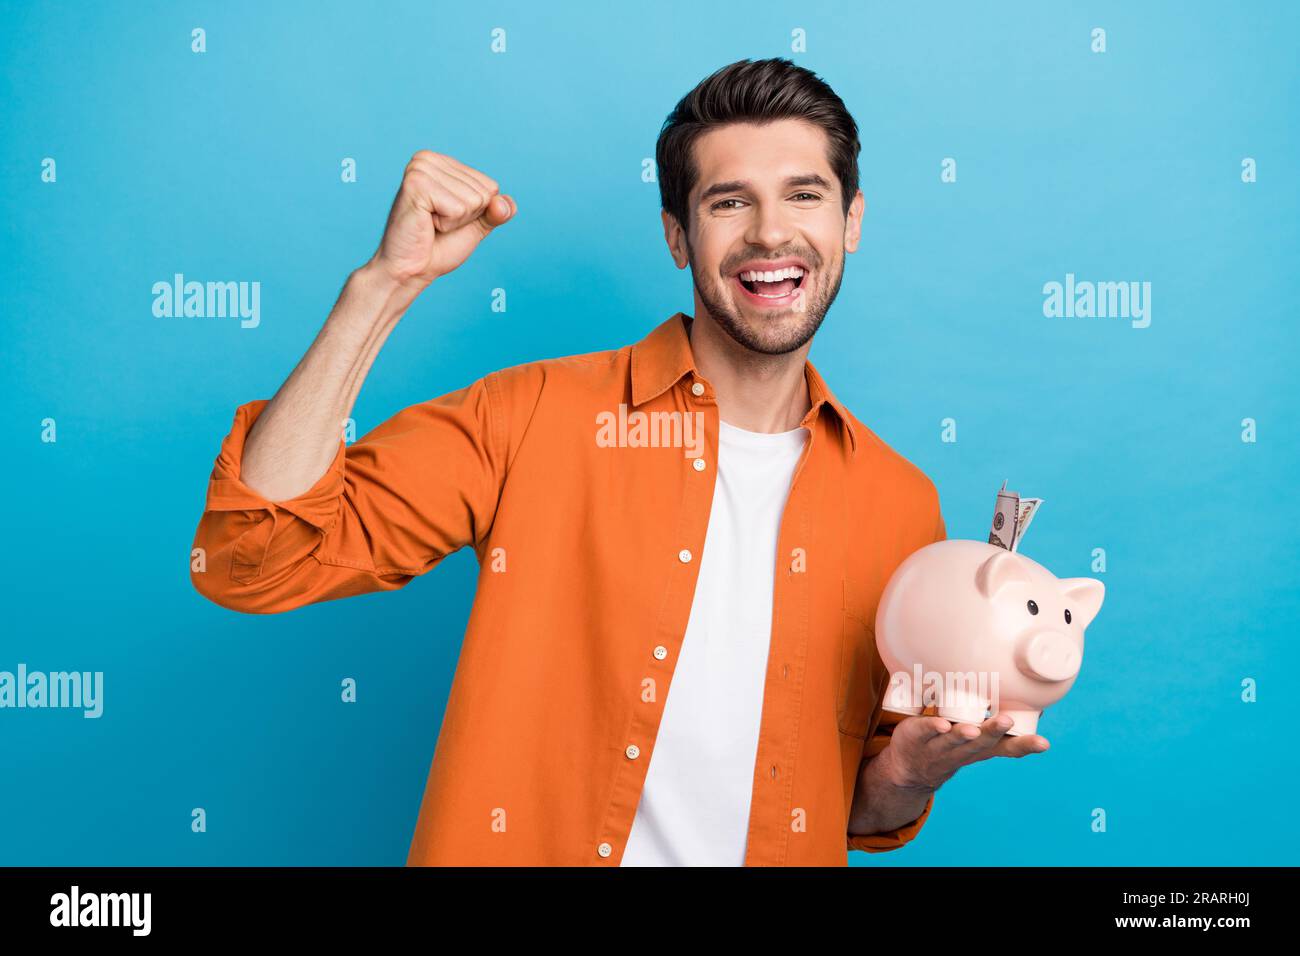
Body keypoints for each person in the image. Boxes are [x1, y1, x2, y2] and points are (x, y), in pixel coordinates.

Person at [190, 57, 1048, 867]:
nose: (771, 232)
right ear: (678, 236)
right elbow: (255, 560)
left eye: (804, 194)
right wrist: (382, 286)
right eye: (727, 203)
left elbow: (849, 810)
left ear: (851, 221)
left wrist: (911, 773)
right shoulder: (529, 417)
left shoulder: (901, 506)